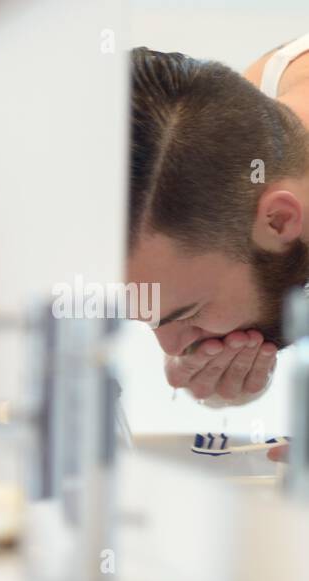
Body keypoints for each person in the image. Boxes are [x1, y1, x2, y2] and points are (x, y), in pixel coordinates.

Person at [127, 43, 309, 411]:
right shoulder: (249, 131)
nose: (173, 350)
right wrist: (237, 384)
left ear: (279, 220)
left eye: (190, 312)